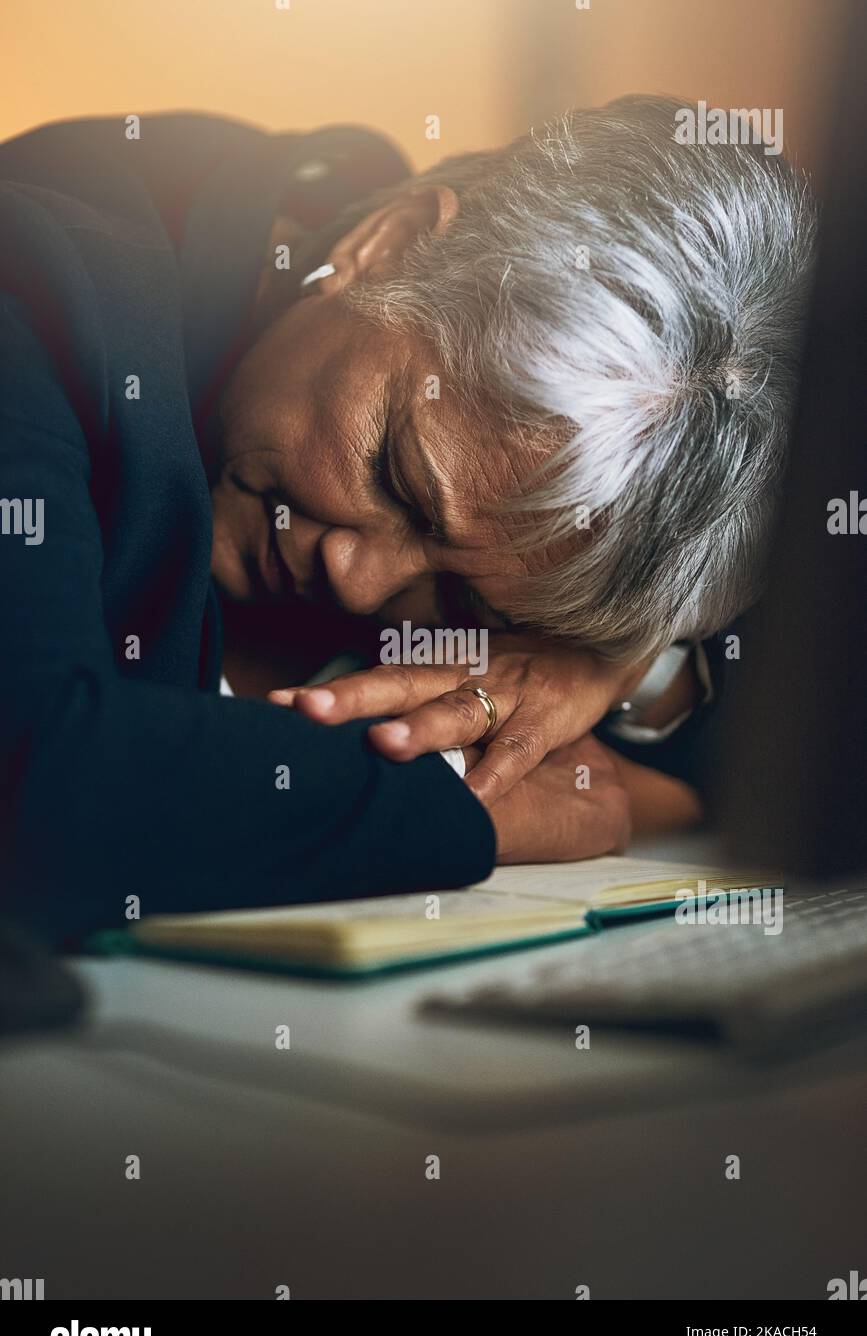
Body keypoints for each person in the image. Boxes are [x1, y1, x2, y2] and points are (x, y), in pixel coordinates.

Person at [0, 98, 815, 944]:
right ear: (386, 247)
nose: (358, 583)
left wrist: (606, 657)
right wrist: (467, 801)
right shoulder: (33, 280)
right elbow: (39, 779)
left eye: (467, 602)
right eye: (397, 478)